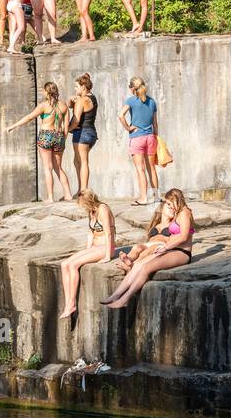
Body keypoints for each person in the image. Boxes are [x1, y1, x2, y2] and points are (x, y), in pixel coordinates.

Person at [102, 188, 194, 309]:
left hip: (182, 252)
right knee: (139, 264)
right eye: (167, 204)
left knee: (146, 268)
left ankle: (124, 299)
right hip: (171, 249)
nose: (168, 206)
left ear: (175, 199)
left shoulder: (185, 212)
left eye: (169, 203)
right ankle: (116, 295)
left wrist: (165, 247)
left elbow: (184, 236)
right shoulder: (178, 213)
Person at [5, 81, 74, 202]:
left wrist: (13, 126)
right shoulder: (64, 106)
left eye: (43, 90)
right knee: (58, 167)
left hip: (46, 136)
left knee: (48, 168)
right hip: (59, 136)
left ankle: (50, 197)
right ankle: (68, 195)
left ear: (47, 92)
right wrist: (62, 140)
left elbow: (29, 117)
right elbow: (66, 127)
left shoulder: (44, 106)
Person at [58, 190, 116, 318]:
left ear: (89, 201)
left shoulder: (103, 209)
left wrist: (107, 256)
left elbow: (108, 233)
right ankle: (68, 303)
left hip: (105, 247)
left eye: (83, 204)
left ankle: (72, 303)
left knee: (73, 265)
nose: (82, 207)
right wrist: (87, 250)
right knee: (64, 264)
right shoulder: (91, 211)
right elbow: (91, 233)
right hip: (95, 247)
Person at [119, 77, 160, 205]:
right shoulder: (152, 102)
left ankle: (143, 198)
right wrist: (156, 137)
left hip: (137, 137)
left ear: (132, 88)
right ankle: (157, 197)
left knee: (140, 169)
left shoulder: (131, 101)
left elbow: (121, 116)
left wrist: (128, 128)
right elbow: (155, 123)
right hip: (150, 137)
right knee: (151, 168)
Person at [68, 73, 98, 194]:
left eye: (77, 86)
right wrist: (71, 101)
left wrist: (68, 129)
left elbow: (75, 121)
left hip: (82, 132)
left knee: (83, 161)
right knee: (77, 160)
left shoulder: (81, 100)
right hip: (91, 132)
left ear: (83, 87)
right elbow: (72, 106)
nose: (75, 89)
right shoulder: (92, 98)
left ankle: (84, 190)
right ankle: (81, 190)